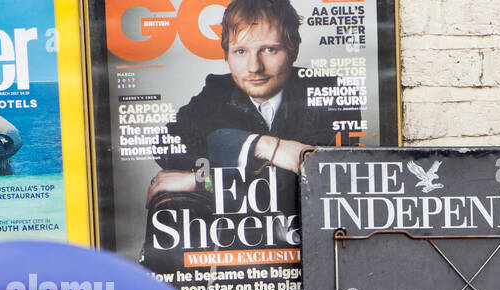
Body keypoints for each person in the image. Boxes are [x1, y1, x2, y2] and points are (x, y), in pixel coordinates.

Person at [146, 0, 352, 209]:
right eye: (241, 51)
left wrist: (204, 180)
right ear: (226, 54)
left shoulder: (332, 91)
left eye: (269, 49)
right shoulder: (217, 91)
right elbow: (167, 146)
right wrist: (263, 145)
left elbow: (332, 179)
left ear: (293, 50)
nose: (254, 67)